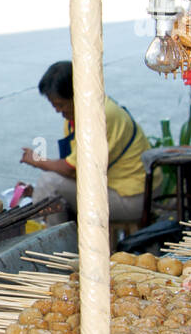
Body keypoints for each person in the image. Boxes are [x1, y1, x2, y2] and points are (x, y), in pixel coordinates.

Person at [19, 61, 147, 225]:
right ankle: (61, 245)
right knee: (50, 191)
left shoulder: (97, 116)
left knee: (49, 182)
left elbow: (71, 169)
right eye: (54, 105)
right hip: (111, 189)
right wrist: (36, 193)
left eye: (60, 104)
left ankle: (51, 245)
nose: (58, 110)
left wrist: (37, 160)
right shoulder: (76, 115)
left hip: (132, 198)